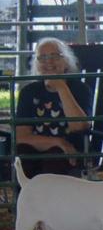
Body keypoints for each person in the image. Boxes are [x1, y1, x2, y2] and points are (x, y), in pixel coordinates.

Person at [14, 38, 92, 178]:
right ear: (37, 65)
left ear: (66, 62)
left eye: (55, 56)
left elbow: (79, 126)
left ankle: (49, 193)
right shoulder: (28, 92)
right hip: (37, 150)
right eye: (42, 57)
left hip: (69, 154)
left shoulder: (80, 89)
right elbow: (21, 137)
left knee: (55, 158)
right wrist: (58, 142)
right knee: (23, 155)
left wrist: (61, 87)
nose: (48, 62)